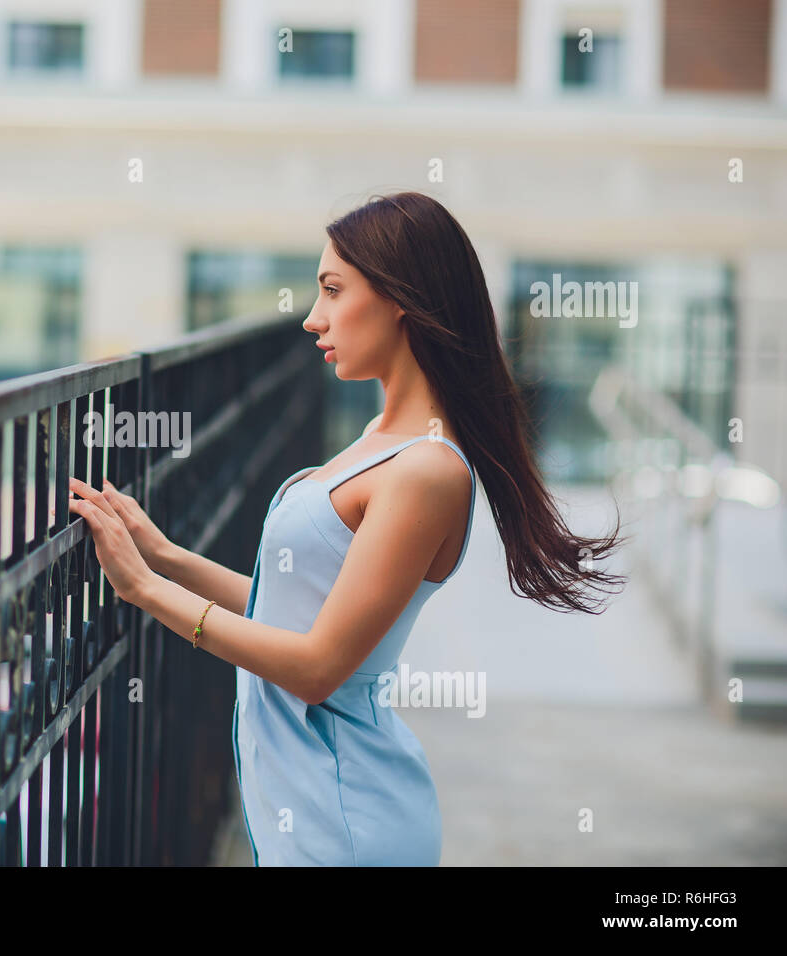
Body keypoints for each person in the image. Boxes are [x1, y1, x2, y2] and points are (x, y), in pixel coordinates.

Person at [67, 191, 629, 866]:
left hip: (345, 820)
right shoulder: (381, 439)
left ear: (400, 298)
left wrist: (145, 592)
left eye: (333, 290)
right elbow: (295, 612)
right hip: (312, 804)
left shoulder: (426, 472)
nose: (313, 319)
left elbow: (316, 667)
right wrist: (164, 557)